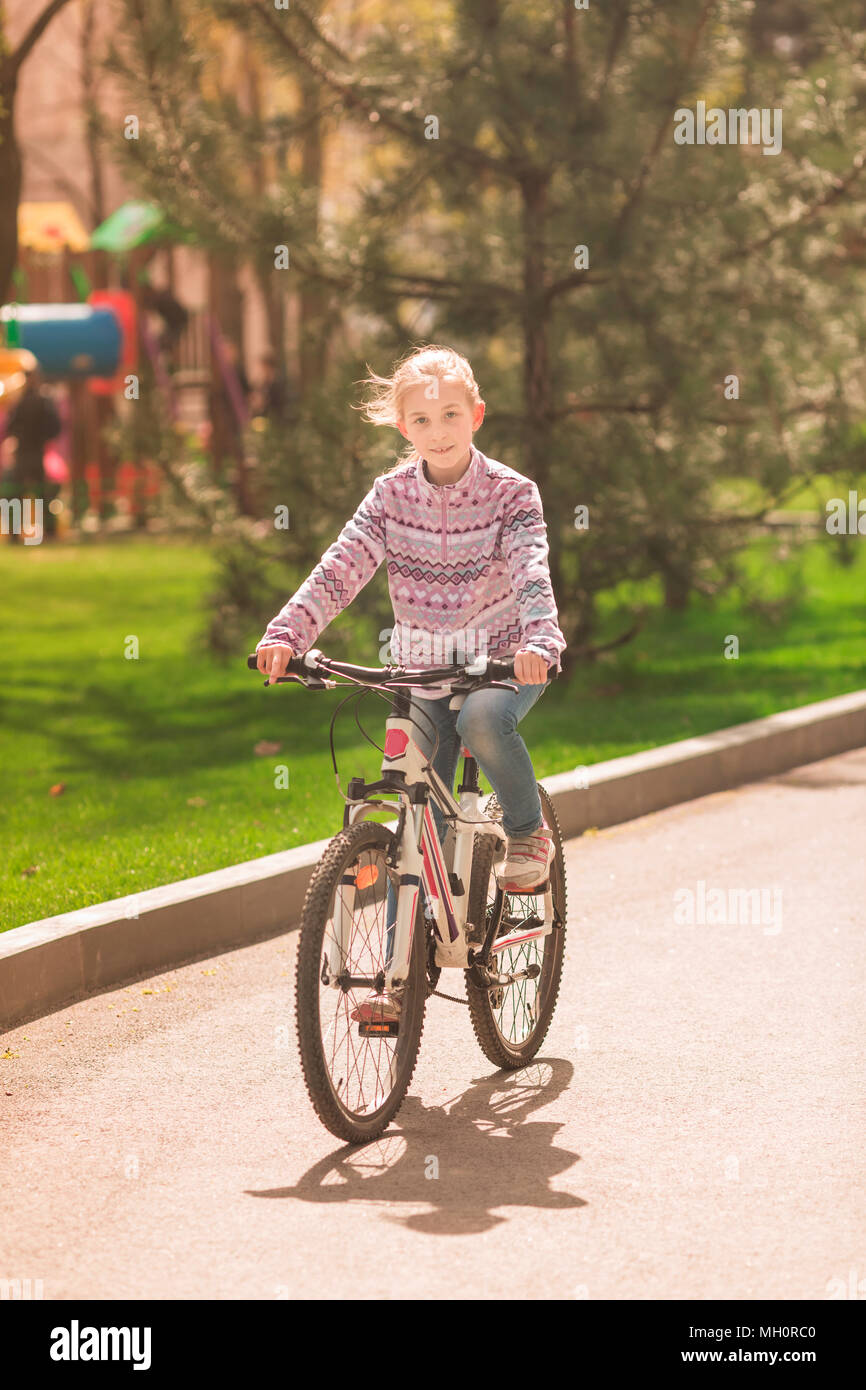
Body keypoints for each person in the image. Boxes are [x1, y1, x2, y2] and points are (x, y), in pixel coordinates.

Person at [255, 344, 566, 1023]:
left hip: (503, 660)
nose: (440, 429)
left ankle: (525, 833)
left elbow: (531, 570)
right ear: (405, 429)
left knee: (482, 721)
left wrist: (540, 640)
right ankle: (394, 988)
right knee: (406, 818)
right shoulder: (390, 497)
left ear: (476, 414)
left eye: (452, 413)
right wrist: (288, 634)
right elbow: (340, 569)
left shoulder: (512, 494)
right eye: (422, 420)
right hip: (421, 666)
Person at [2, 362, 62, 541]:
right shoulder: (43, 401)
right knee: (41, 494)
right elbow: (55, 427)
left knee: (17, 494)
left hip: (24, 452)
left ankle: (14, 534)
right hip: (36, 452)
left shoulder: (18, 401)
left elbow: (10, 427)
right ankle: (49, 532)